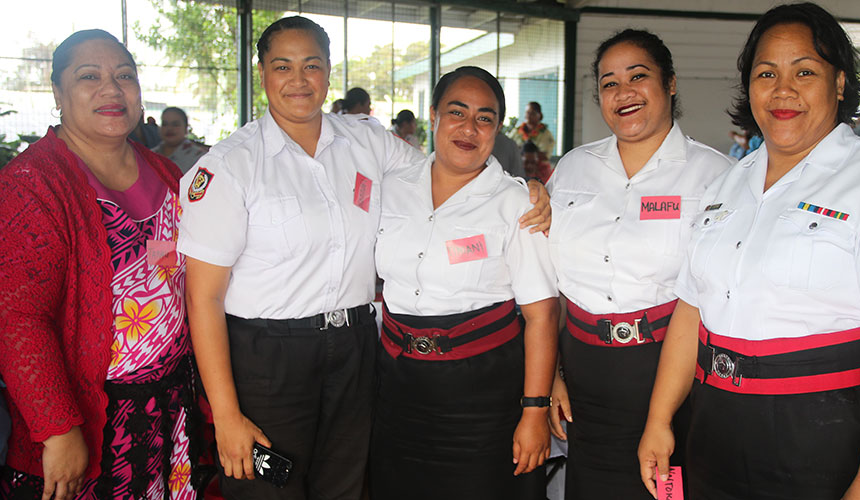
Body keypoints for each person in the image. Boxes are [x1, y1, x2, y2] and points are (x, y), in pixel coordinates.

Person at [178, 17, 551, 500]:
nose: (298, 80)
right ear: (262, 72)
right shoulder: (230, 166)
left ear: (329, 71)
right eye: (282, 66)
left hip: (356, 352)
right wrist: (226, 414)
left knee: (344, 485)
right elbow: (202, 298)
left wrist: (525, 190)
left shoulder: (366, 141)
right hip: (270, 365)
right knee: (271, 487)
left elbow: (448, 173)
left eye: (312, 65)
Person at [637, 4, 860, 500]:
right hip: (716, 430)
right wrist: (659, 419)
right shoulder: (729, 182)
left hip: (831, 438)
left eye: (804, 71)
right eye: (766, 73)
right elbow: (692, 308)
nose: (783, 90)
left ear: (841, 82)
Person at [0, 29, 199, 500]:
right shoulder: (32, 184)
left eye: (124, 76)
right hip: (87, 418)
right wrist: (57, 428)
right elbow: (17, 317)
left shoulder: (166, 173)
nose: (112, 90)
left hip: (168, 406)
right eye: (89, 76)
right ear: (57, 93)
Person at [546, 29, 732, 500]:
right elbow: (548, 281)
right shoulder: (572, 168)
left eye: (638, 76)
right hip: (583, 375)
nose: (623, 92)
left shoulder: (715, 177)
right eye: (609, 83)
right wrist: (552, 375)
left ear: (669, 82)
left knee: (663, 490)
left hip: (670, 375)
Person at [370, 65, 559, 500]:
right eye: (457, 112)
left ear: (497, 128)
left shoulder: (516, 202)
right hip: (399, 385)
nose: (469, 128)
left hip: (483, 393)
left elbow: (542, 315)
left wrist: (534, 410)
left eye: (485, 117)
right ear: (433, 114)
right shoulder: (392, 188)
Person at [153, 106, 209, 174]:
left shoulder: (199, 157)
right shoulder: (149, 156)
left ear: (186, 128)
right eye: (165, 124)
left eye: (175, 124)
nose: (169, 128)